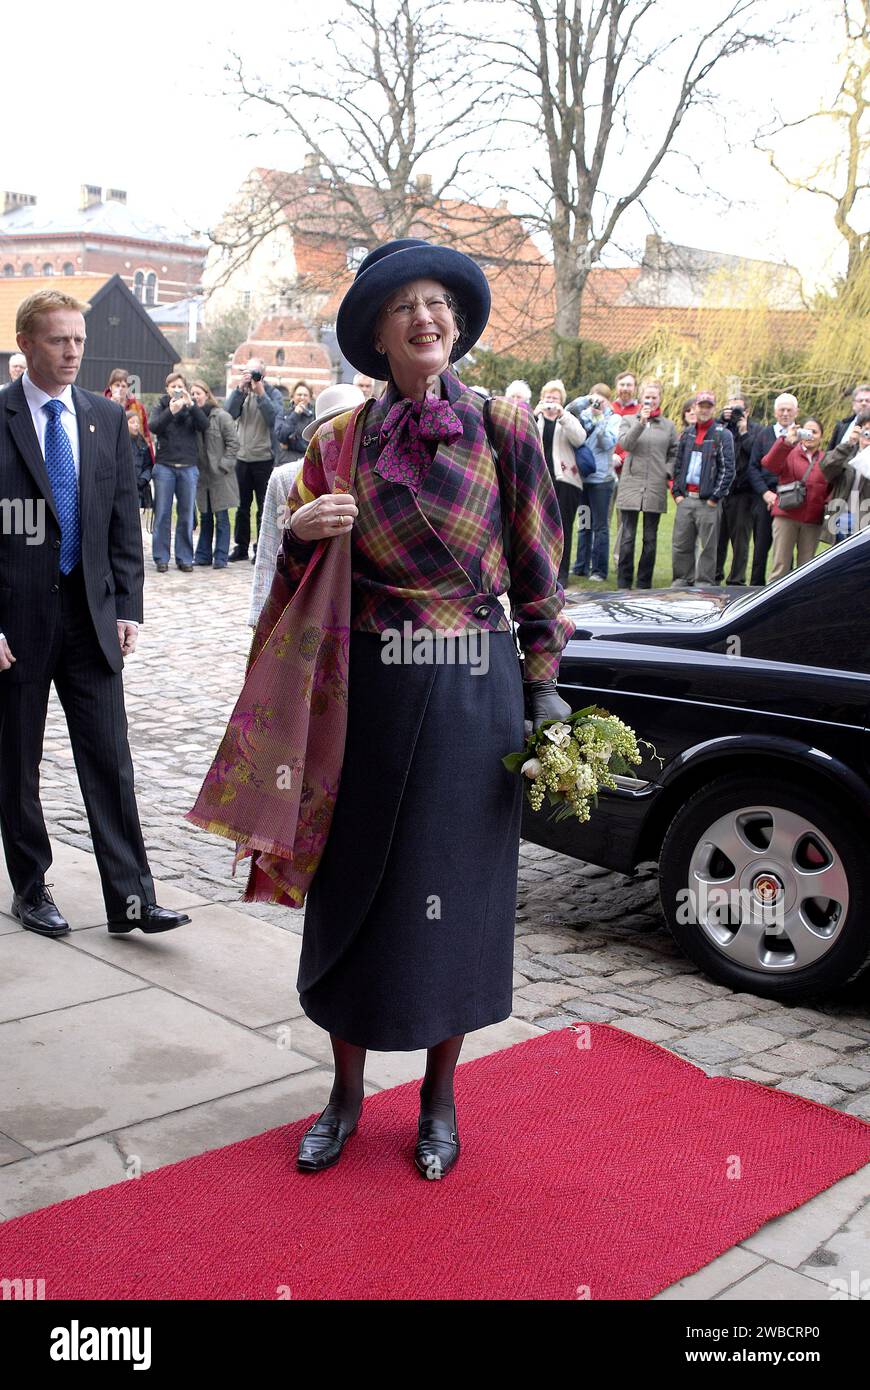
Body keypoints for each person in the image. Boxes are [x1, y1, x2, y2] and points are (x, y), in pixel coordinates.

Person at [189, 237, 573, 1179]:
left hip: (473, 699)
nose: (425, 317)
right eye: (405, 305)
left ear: (458, 323)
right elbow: (299, 585)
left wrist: (545, 684)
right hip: (362, 694)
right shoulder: (334, 445)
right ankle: (346, 1093)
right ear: (376, 331)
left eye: (439, 301)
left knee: (458, 903)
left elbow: (540, 573)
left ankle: (440, 1099)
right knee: (353, 893)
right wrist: (294, 537)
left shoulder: (504, 430)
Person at [0, 289, 190, 938]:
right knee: (16, 765)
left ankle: (132, 901)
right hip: (15, 626)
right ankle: (31, 890)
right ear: (26, 343)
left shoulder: (104, 419)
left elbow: (119, 525)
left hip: (91, 620)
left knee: (111, 761)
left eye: (79, 339)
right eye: (58, 340)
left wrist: (127, 607)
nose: (73, 350)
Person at [248, 383, 364, 627]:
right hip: (304, 598)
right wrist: (261, 614)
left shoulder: (372, 476)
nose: (341, 436)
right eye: (333, 427)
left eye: (349, 426)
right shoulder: (287, 478)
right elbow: (271, 545)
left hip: (362, 609)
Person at [615, 380, 678, 589]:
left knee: (650, 539)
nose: (650, 401)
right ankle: (624, 582)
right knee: (627, 537)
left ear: (660, 399)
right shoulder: (627, 419)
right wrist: (640, 423)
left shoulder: (668, 426)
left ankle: (644, 583)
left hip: (655, 485)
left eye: (654, 397)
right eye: (647, 397)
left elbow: (674, 453)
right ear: (641, 398)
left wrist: (666, 471)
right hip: (631, 483)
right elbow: (625, 444)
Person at [670, 391, 735, 587]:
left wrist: (715, 497)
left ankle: (704, 583)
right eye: (701, 406)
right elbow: (678, 464)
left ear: (713, 409)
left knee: (708, 546)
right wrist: (677, 493)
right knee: (681, 543)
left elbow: (728, 468)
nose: (704, 410)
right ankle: (682, 579)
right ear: (694, 408)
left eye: (708, 406)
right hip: (686, 499)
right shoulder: (687, 433)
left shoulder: (722, 434)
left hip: (708, 501)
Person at [226, 358, 284, 563]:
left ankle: (260, 547)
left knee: (263, 507)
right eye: (248, 373)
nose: (252, 377)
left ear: (263, 374)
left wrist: (260, 393)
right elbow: (228, 413)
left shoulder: (273, 394)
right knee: (242, 507)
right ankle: (240, 547)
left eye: (255, 373)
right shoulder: (242, 392)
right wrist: (239, 390)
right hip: (242, 458)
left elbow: (274, 419)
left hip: (264, 459)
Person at [148, 372, 207, 573]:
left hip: (188, 468)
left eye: (179, 386)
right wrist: (170, 412)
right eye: (172, 386)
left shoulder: (191, 407)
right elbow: (153, 427)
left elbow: (204, 425)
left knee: (186, 515)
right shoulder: (161, 405)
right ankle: (161, 558)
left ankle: (184, 558)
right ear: (167, 389)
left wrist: (191, 406)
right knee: (163, 514)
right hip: (165, 467)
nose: (176, 389)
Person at [533, 378, 587, 580]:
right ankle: (541, 572)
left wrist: (563, 415)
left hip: (565, 481)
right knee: (538, 528)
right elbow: (520, 435)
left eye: (555, 398)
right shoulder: (534, 418)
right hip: (538, 480)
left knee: (563, 527)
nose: (551, 402)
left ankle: (562, 572)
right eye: (548, 398)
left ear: (562, 401)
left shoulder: (567, 419)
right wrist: (535, 413)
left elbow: (580, 438)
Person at [762, 418, 829, 581]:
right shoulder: (789, 452)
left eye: (815, 432)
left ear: (821, 436)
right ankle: (774, 602)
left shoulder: (826, 459)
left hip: (812, 520)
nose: (810, 435)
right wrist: (786, 442)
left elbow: (831, 487)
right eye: (807, 431)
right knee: (781, 566)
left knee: (806, 569)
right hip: (786, 516)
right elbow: (769, 464)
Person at [567, 383, 618, 580]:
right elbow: (569, 412)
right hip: (583, 477)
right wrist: (586, 403)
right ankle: (581, 565)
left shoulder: (614, 419)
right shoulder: (584, 415)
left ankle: (599, 570)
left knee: (600, 526)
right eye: (593, 398)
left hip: (601, 481)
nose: (596, 403)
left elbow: (607, 443)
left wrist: (601, 419)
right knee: (584, 522)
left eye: (601, 400)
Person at [747, 392, 798, 585]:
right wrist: (765, 493)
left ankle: (786, 587)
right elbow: (753, 467)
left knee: (786, 549)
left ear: (796, 412)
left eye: (789, 410)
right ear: (775, 412)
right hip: (765, 497)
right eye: (781, 410)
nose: (785, 413)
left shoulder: (801, 437)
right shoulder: (763, 435)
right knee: (760, 546)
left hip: (791, 499)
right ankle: (755, 589)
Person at [190, 380, 240, 569]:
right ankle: (203, 555)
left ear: (207, 393)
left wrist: (223, 465)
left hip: (220, 476)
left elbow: (233, 444)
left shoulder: (221, 417)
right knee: (205, 517)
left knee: (221, 517)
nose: (195, 396)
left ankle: (221, 557)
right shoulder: (193, 417)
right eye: (192, 393)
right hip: (203, 477)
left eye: (198, 393)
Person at [715, 395, 760, 585]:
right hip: (721, 491)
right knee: (717, 537)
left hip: (743, 492)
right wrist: (720, 420)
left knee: (740, 540)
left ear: (747, 412)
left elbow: (756, 456)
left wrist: (744, 433)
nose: (733, 413)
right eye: (730, 409)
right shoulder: (723, 428)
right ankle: (714, 575)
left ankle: (736, 579)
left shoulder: (756, 430)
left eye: (738, 410)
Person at [820, 412, 870, 541]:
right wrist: (848, 444)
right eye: (866, 431)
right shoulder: (847, 453)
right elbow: (826, 469)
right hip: (843, 517)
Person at [105, 368, 154, 463]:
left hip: (132, 457)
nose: (120, 389)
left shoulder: (138, 407)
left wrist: (149, 461)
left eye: (124, 386)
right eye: (117, 385)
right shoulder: (102, 404)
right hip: (109, 454)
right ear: (110, 387)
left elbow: (145, 433)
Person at [275, 381, 314, 459]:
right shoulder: (284, 414)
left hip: (305, 461)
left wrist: (290, 444)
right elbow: (281, 436)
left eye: (305, 395)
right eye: (299, 394)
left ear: (309, 398)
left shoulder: (314, 417)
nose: (302, 397)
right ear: (292, 397)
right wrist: (295, 414)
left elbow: (311, 445)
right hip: (285, 461)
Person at [126, 409, 154, 517]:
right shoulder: (119, 441)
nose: (136, 425)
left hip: (138, 488)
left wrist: (143, 479)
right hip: (124, 486)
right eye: (132, 422)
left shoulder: (143, 443)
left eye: (137, 422)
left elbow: (149, 465)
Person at [828, 383, 870, 452]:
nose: (863, 403)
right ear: (853, 404)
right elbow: (829, 455)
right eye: (860, 401)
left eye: (867, 401)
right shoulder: (842, 426)